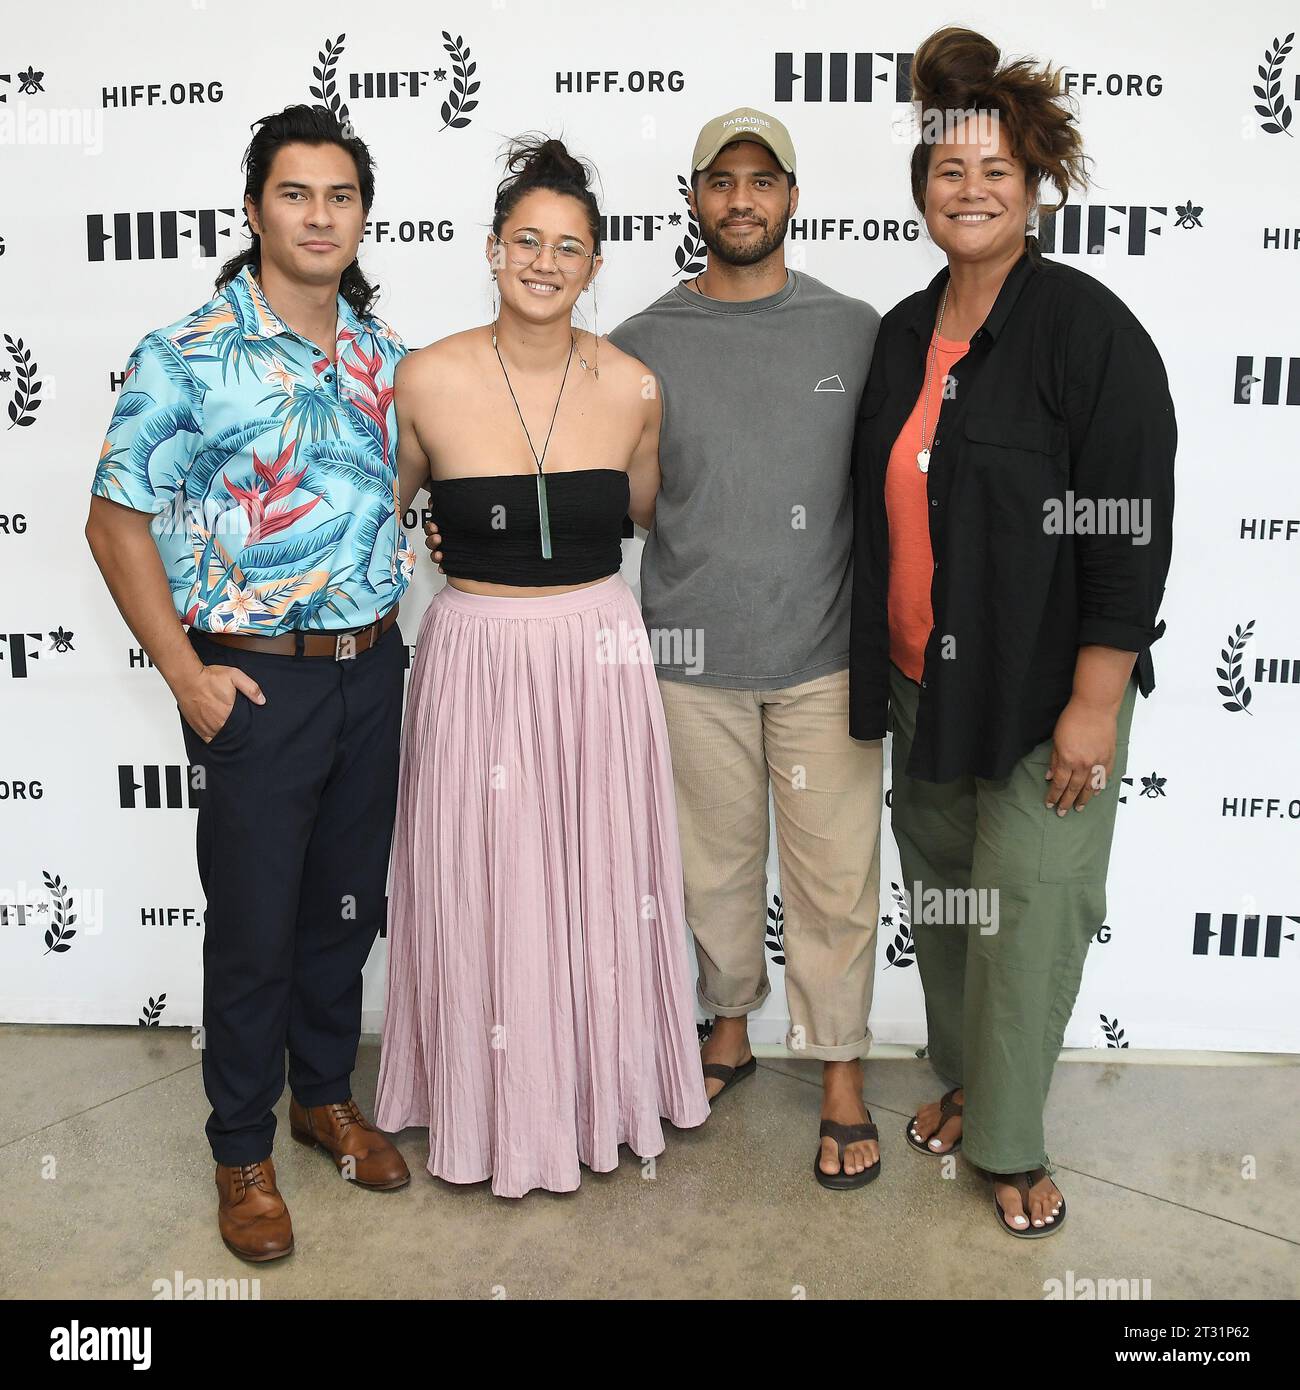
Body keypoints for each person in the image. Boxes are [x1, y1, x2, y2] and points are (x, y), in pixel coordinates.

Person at [431, 111, 887, 1190]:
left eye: (760, 180)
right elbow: (567, 467)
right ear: (692, 202)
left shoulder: (859, 329)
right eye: (718, 181)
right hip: (681, 658)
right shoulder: (637, 343)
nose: (740, 199)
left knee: (834, 884)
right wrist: (461, 520)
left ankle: (840, 1077)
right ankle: (725, 1029)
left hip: (823, 657)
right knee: (710, 877)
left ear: (790, 195)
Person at [849, 27, 1175, 1234]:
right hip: (918, 685)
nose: (969, 188)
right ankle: (969, 1076)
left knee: (1029, 910)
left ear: (1030, 184)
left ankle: (1012, 1138)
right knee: (944, 905)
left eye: (992, 169)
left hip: (1048, 695)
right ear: (920, 192)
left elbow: (1127, 525)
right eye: (946, 171)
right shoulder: (898, 333)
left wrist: (1097, 700)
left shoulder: (1086, 330)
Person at [85, 105, 413, 1263]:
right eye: (295, 194)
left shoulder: (384, 358)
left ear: (361, 216)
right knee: (254, 928)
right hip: (255, 689)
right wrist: (188, 676)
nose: (318, 216)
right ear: (254, 209)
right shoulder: (188, 353)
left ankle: (321, 1096)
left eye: (339, 196)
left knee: (345, 907)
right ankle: (240, 1149)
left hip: (373, 674)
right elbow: (114, 519)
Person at [374, 135, 709, 1200]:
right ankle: (478, 1104)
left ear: (596, 265)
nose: (545, 261)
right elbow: (381, 510)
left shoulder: (635, 386)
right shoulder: (423, 375)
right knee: (479, 881)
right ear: (490, 249)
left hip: (595, 653)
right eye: (527, 239)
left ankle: (596, 1094)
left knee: (596, 875)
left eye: (569, 246)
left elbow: (645, 512)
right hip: (472, 653)